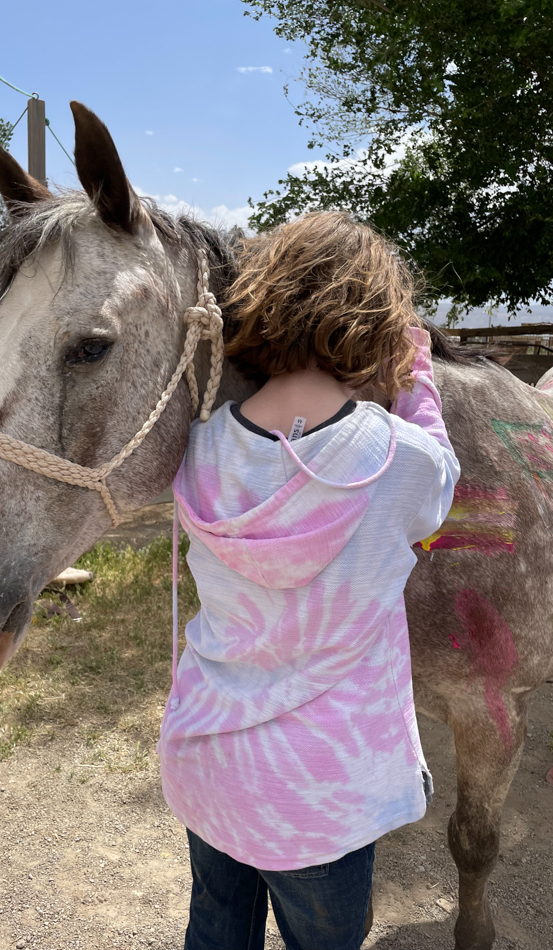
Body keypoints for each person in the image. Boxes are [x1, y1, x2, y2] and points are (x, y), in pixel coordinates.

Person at [157, 211, 460, 950]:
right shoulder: (400, 461)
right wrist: (417, 375)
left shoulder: (198, 450)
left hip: (209, 758)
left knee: (217, 929)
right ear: (375, 319)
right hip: (322, 793)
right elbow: (441, 472)